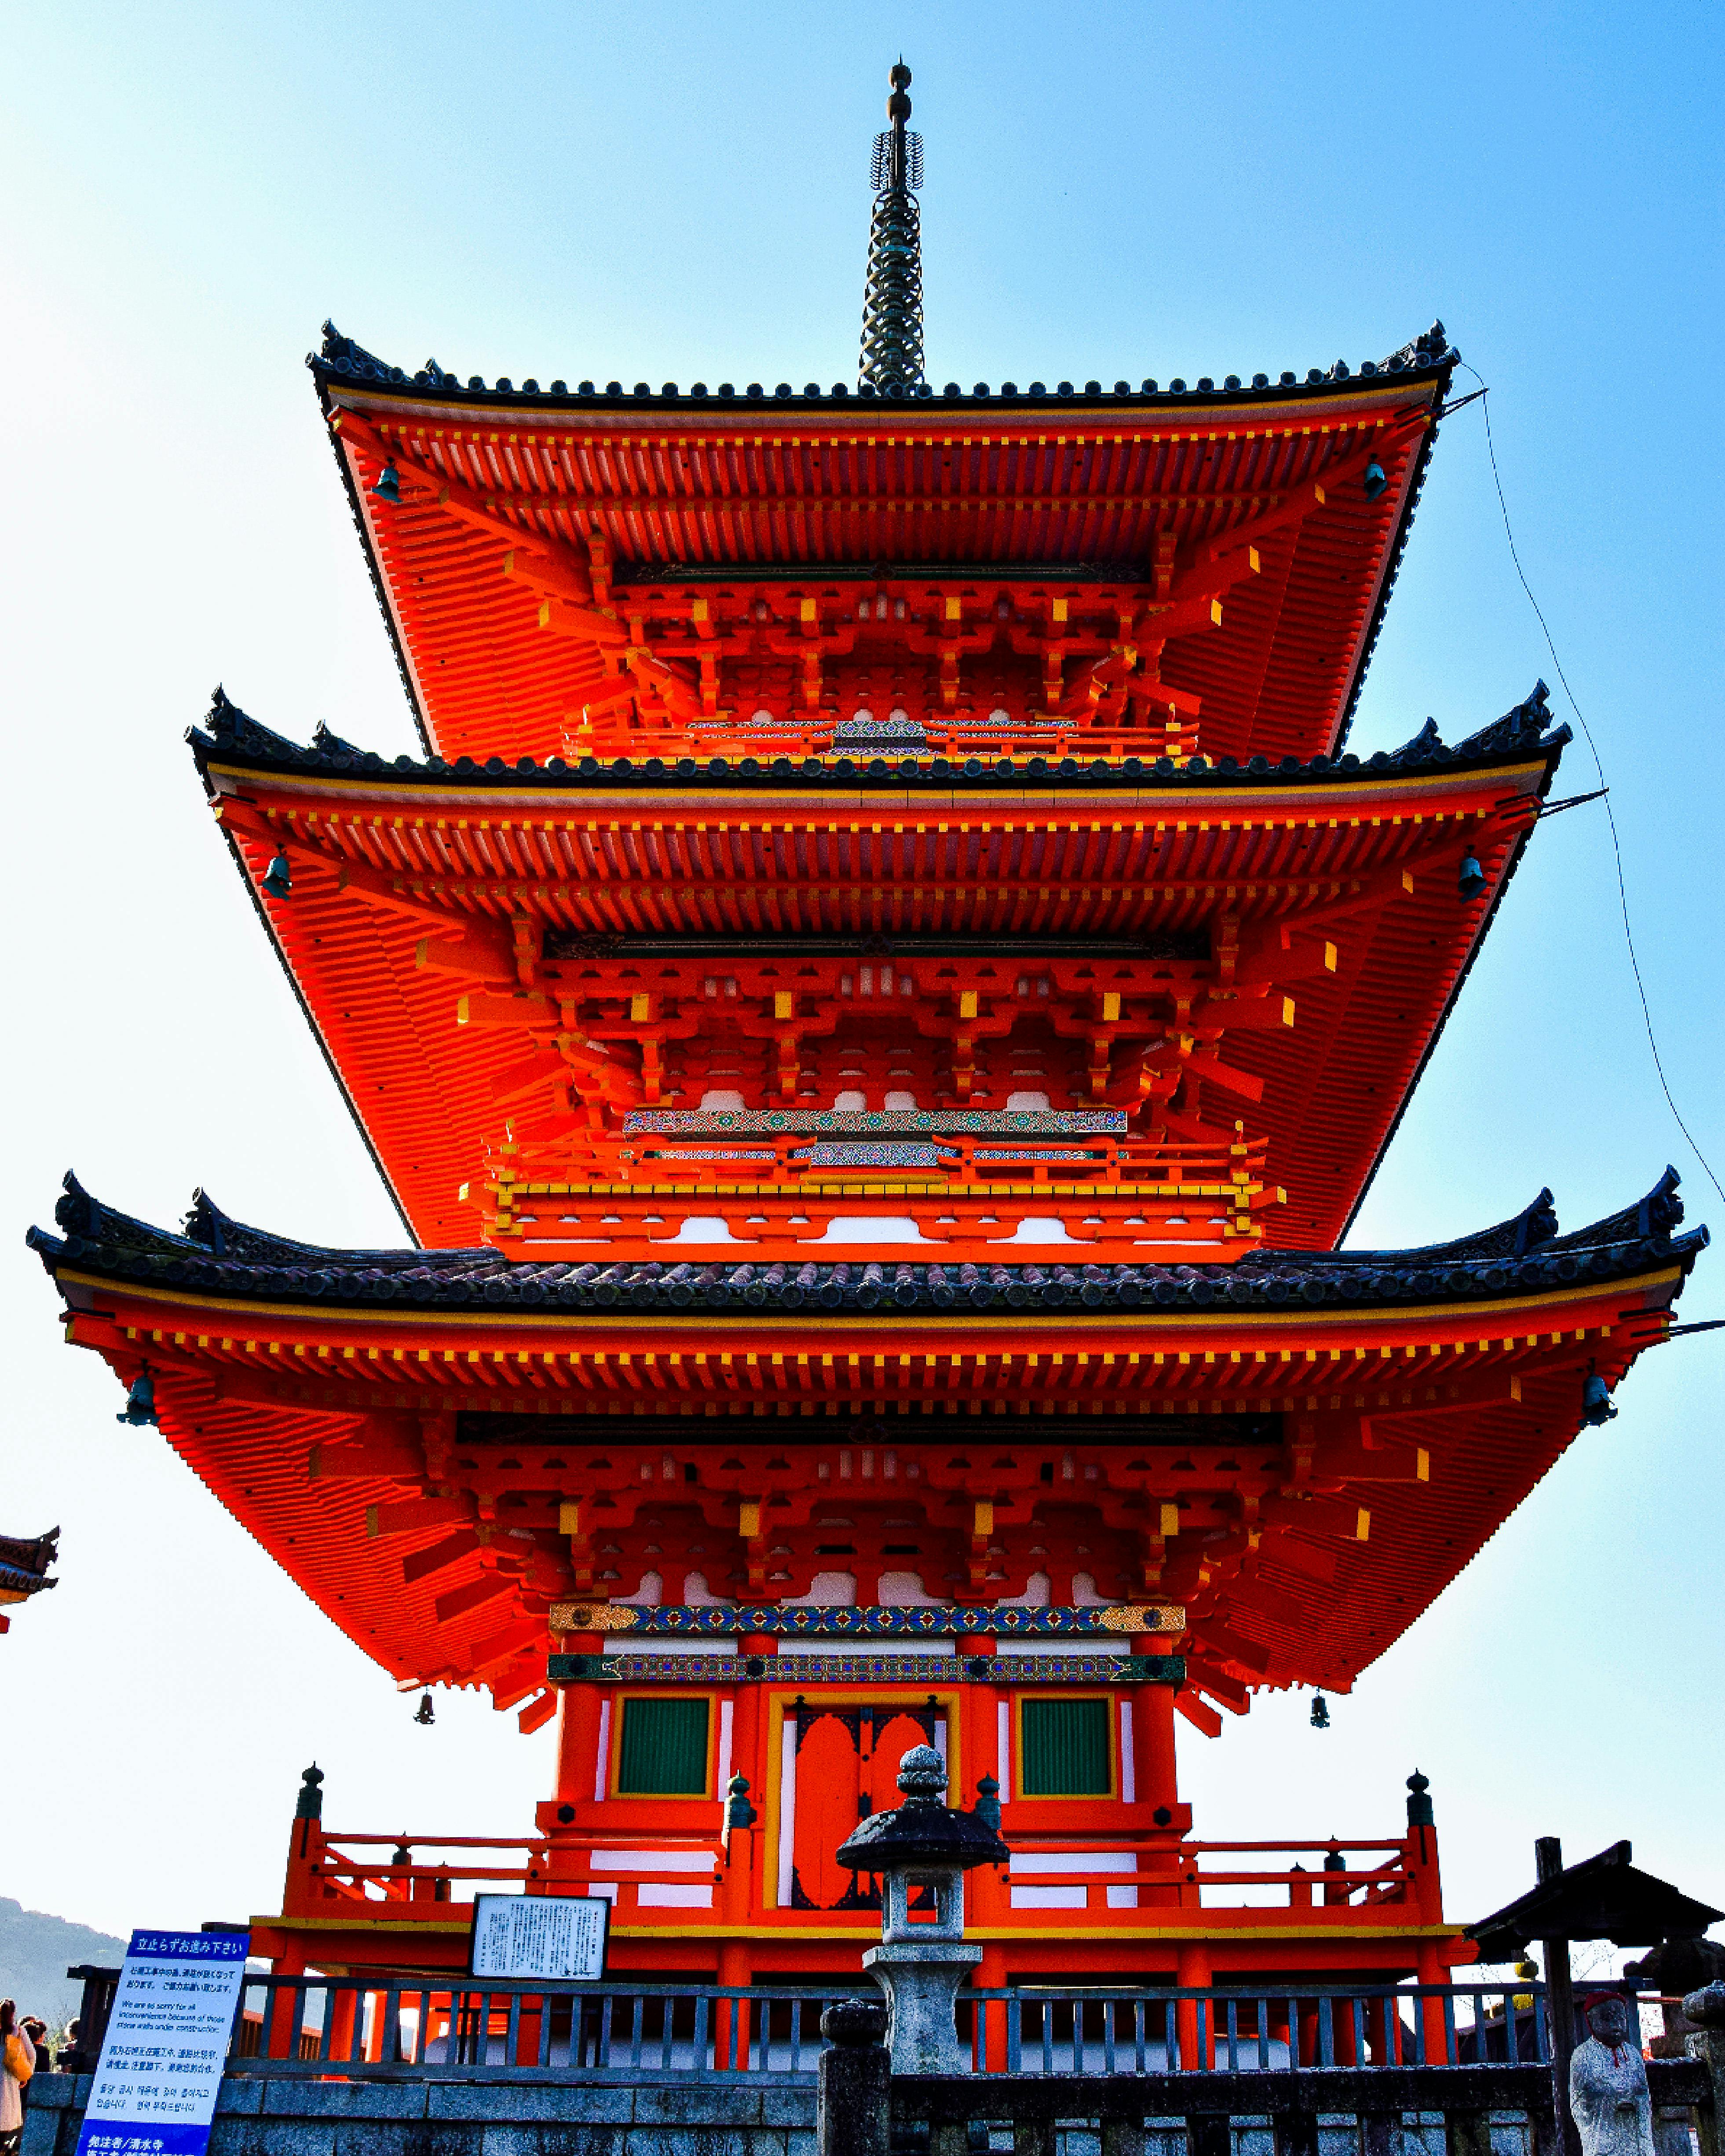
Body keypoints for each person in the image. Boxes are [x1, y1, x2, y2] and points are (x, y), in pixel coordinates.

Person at [1569, 1991, 1654, 2156]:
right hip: (1604, 2138)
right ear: (1592, 2022)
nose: (1616, 2026)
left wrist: (1636, 2101)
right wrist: (1613, 2101)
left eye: (1621, 2019)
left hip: (1635, 2136)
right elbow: (1581, 2101)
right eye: (1607, 2020)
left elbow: (1644, 2093)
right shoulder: (1582, 2056)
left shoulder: (1633, 2054)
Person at [0, 1998, 34, 2156]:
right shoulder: (19, 2032)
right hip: (9, 2080)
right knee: (5, 2125)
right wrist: (25, 2076)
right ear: (13, 2014)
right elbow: (31, 2055)